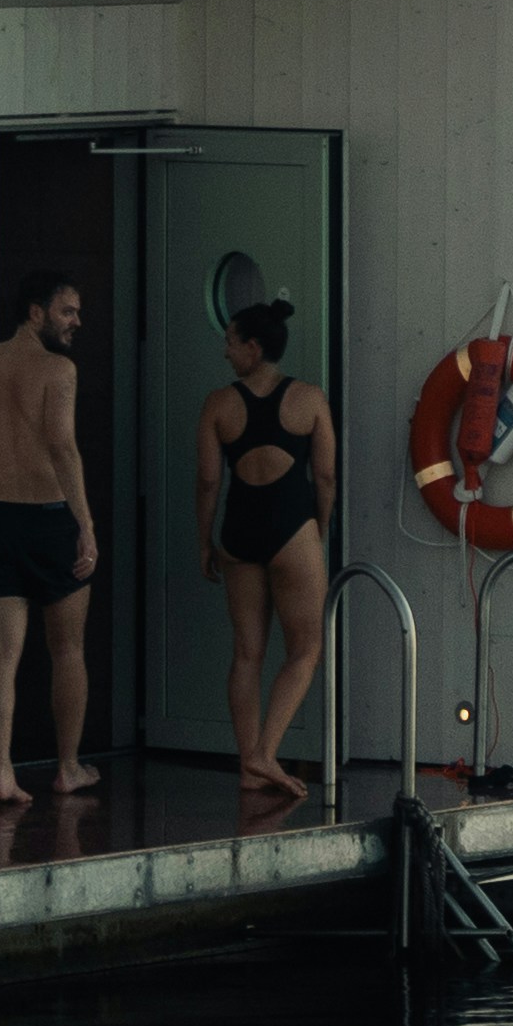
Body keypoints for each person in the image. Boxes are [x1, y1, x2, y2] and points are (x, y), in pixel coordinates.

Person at [0, 268, 99, 808]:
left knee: (2, 656)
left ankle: (3, 775)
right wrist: (85, 524)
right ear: (36, 313)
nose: (77, 321)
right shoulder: (59, 370)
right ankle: (66, 768)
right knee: (68, 650)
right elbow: (63, 447)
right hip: (51, 519)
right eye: (67, 311)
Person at [196, 295, 336, 799]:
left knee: (247, 653)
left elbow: (208, 482)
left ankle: (248, 767)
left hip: (238, 529)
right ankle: (263, 754)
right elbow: (324, 475)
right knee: (306, 648)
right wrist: (318, 528)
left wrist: (204, 540)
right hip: (291, 528)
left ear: (253, 348)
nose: (226, 353)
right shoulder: (310, 399)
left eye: (231, 343)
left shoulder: (218, 403)